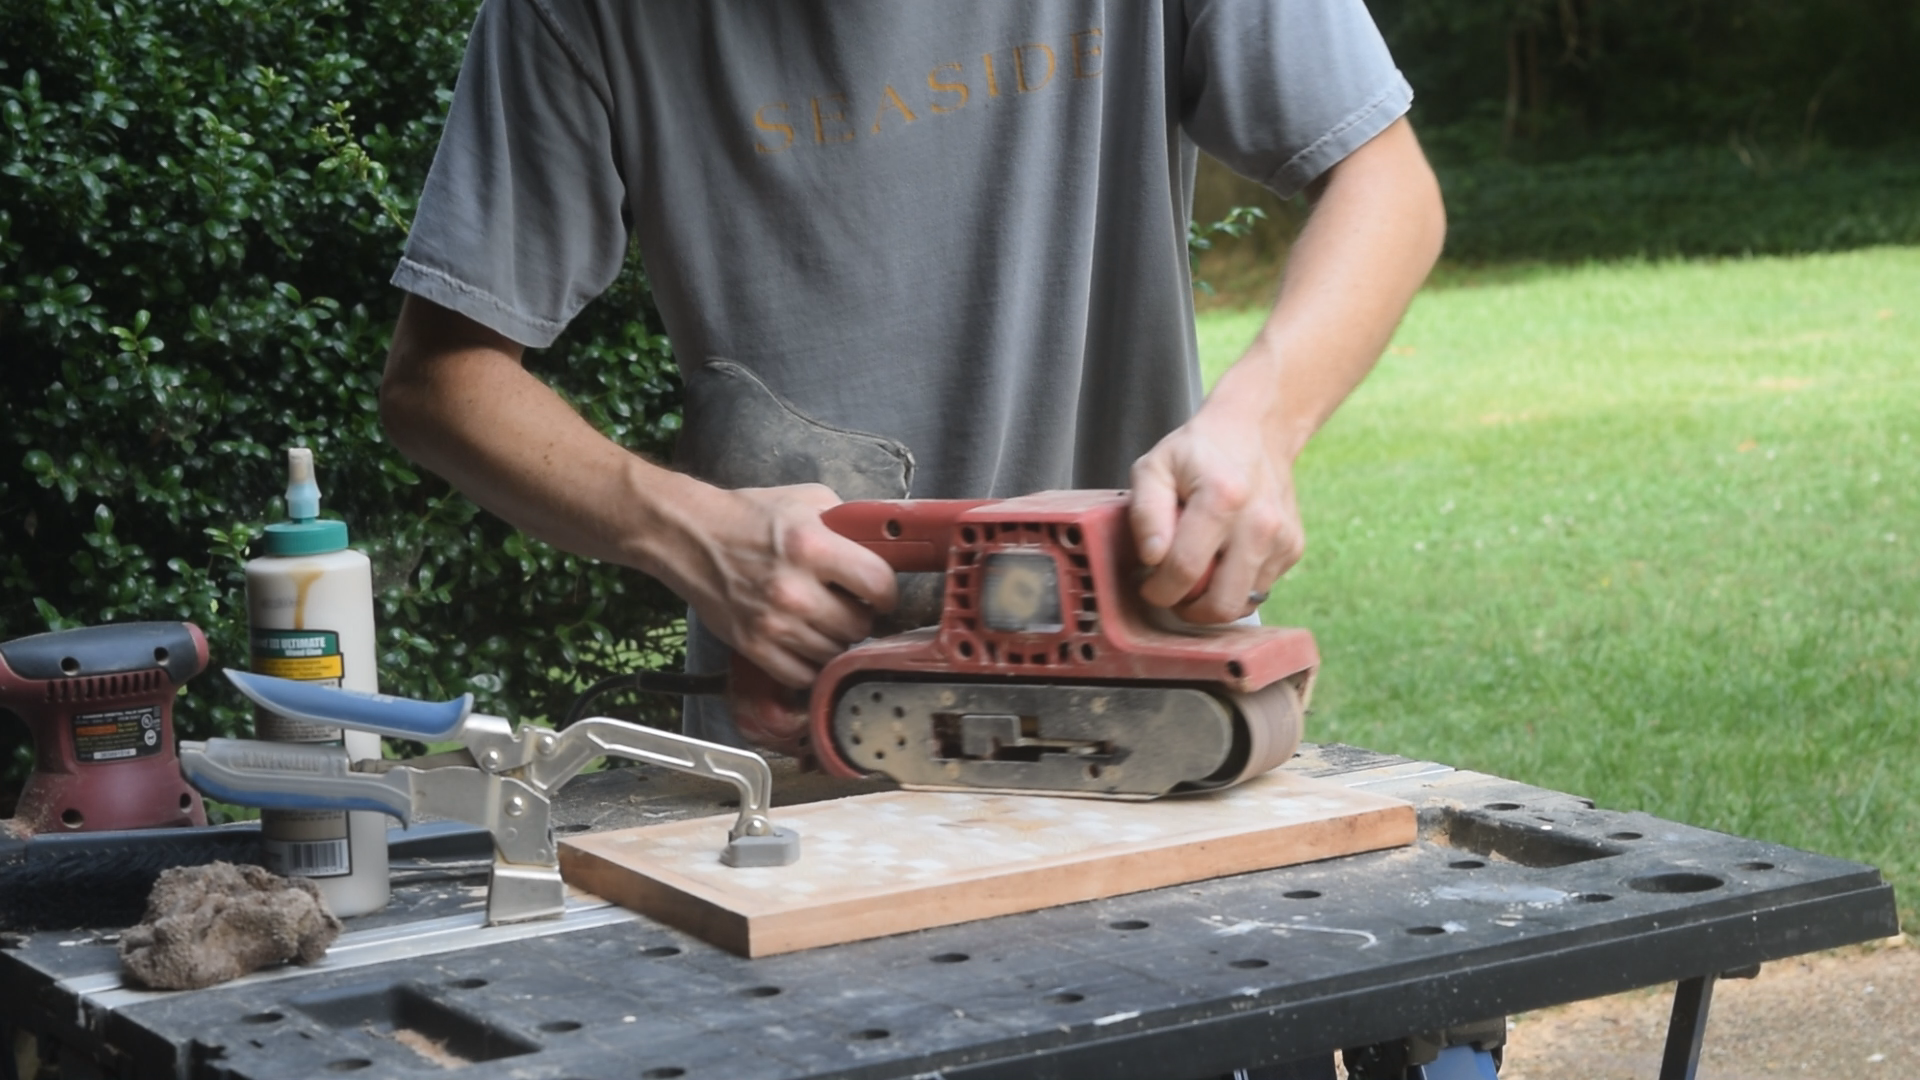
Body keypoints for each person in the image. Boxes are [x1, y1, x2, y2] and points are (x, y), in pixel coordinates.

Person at [378, 1, 1445, 750]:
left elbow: (1385, 182)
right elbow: (441, 379)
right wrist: (691, 531)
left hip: (1138, 705)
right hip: (812, 739)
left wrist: (1260, 421)